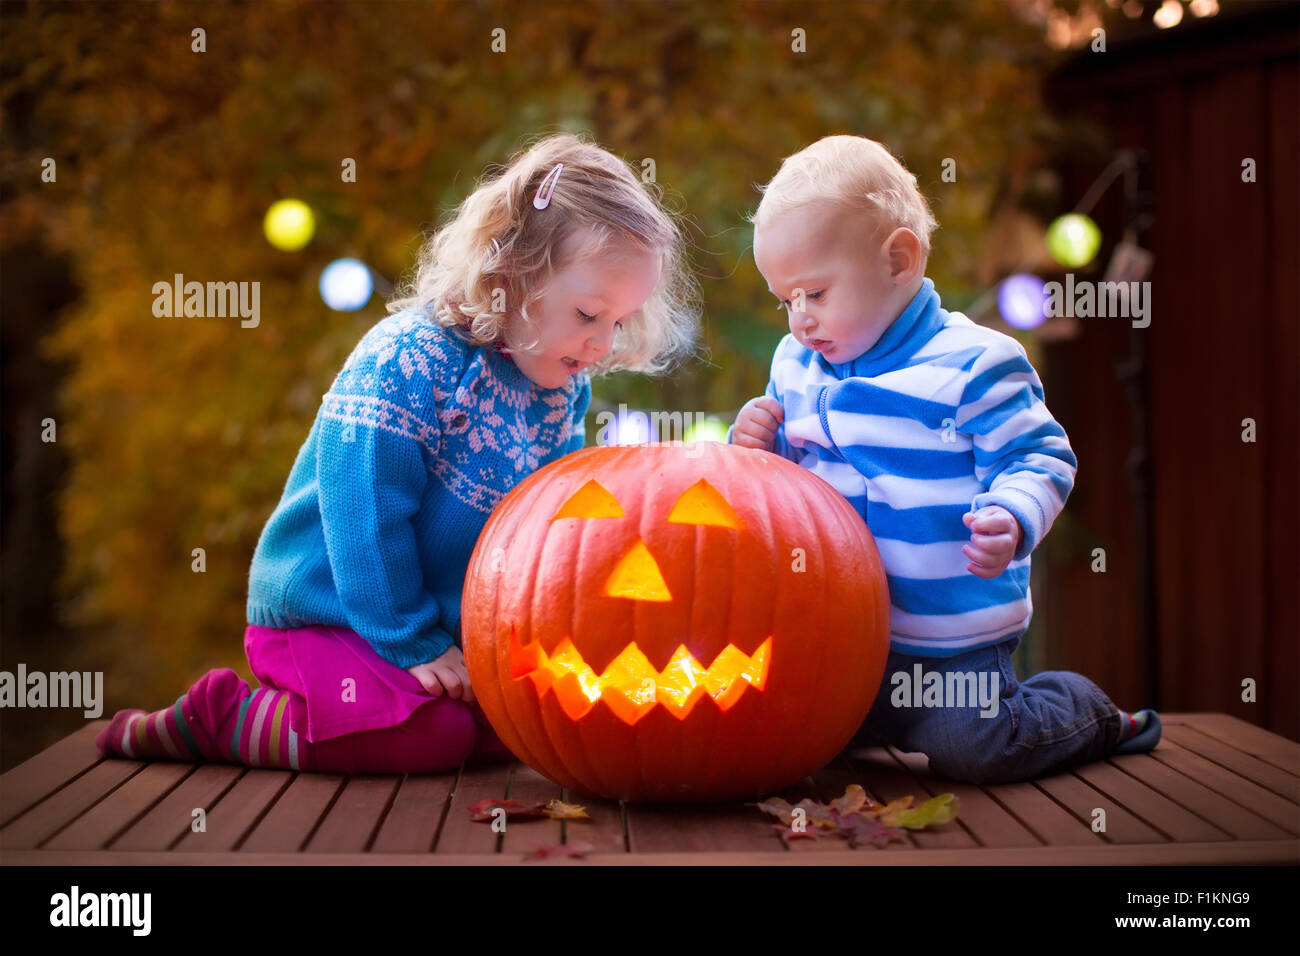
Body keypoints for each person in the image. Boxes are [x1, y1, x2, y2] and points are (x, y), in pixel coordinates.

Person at [96, 132, 701, 774]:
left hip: (433, 633)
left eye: (619, 322)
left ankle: (394, 701)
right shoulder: (407, 359)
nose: (602, 343)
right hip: (331, 616)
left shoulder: (559, 391)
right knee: (429, 738)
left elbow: (543, 538)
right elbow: (363, 517)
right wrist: (410, 641)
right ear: (515, 271)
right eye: (588, 313)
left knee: (521, 728)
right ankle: (226, 716)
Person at [729, 135, 1159, 784]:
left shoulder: (974, 364)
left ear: (898, 260)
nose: (799, 320)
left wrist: (1013, 516)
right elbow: (800, 484)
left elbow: (1039, 455)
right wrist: (764, 443)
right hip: (840, 640)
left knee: (975, 747)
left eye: (814, 293)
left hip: (948, 642)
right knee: (790, 738)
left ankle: (1086, 711)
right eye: (784, 299)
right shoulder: (796, 367)